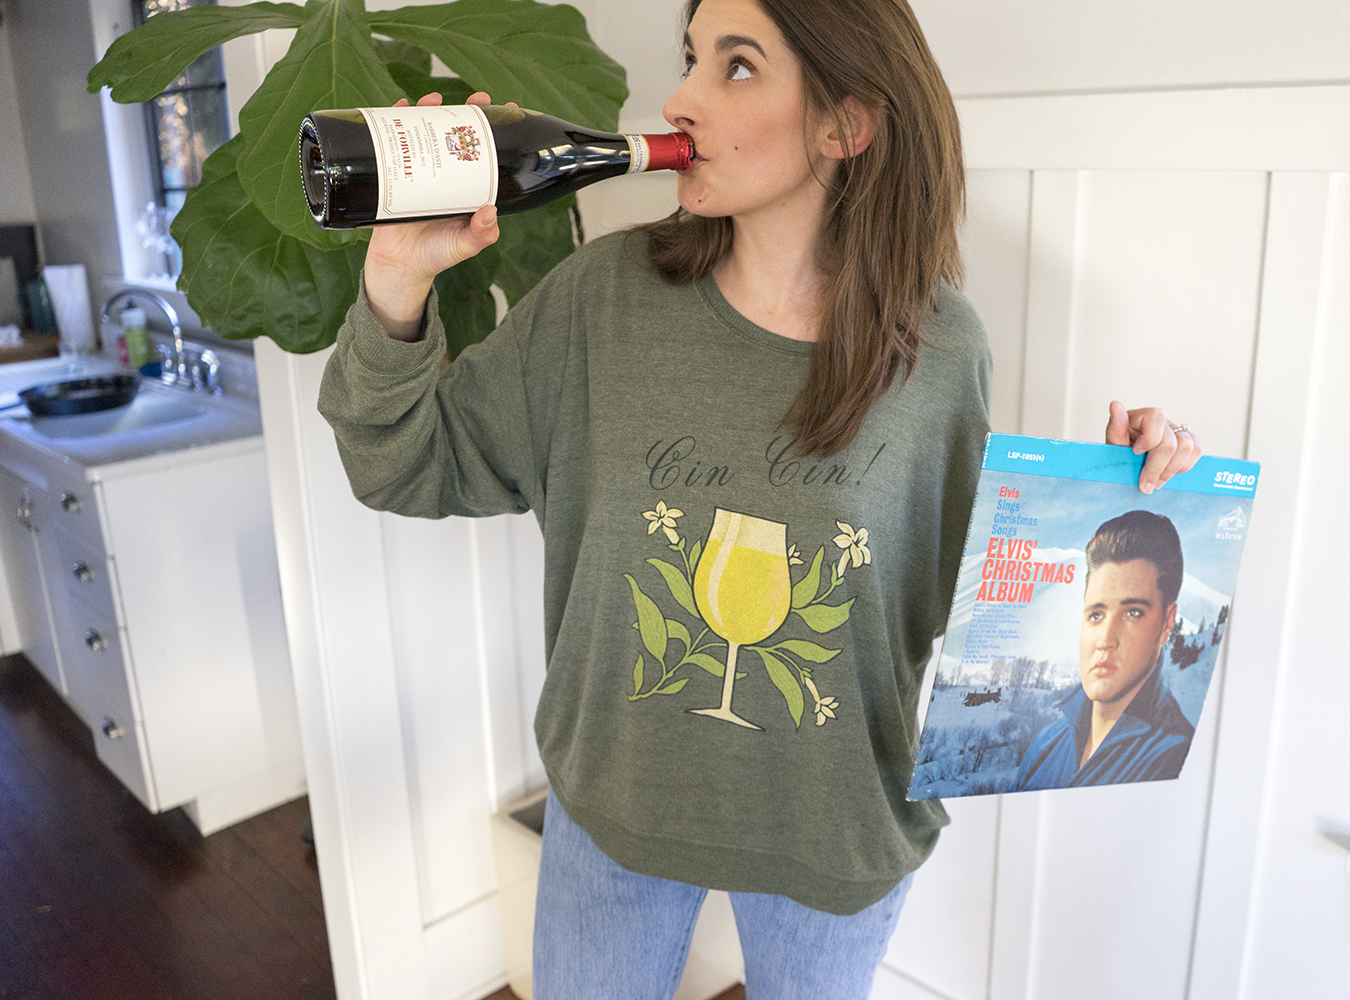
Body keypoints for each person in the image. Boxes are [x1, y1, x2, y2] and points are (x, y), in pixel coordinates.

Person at [317, 0, 1203, 995]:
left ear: (845, 124)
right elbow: (402, 461)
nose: (680, 100)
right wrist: (397, 275)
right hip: (615, 808)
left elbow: (967, 602)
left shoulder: (940, 350)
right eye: (691, 58)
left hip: (834, 829)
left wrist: (1115, 501)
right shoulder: (601, 301)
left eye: (735, 67)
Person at [1016, 510, 1196, 791]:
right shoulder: (1044, 747)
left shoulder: (1177, 756)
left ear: (1167, 622)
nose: (1105, 640)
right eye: (1096, 615)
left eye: (1133, 612)